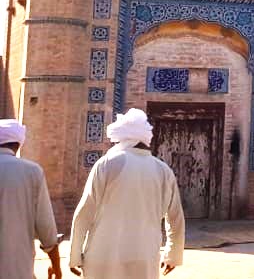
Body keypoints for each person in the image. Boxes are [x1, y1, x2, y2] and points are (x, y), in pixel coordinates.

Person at [69, 108, 185, 279]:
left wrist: (74, 256)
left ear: (123, 139)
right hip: (144, 259)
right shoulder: (163, 170)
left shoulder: (107, 164)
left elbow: (85, 212)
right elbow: (176, 218)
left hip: (104, 257)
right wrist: (173, 255)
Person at [0, 118, 62, 279]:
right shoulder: (31, 172)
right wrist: (56, 267)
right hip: (16, 269)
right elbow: (46, 228)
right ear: (18, 144)